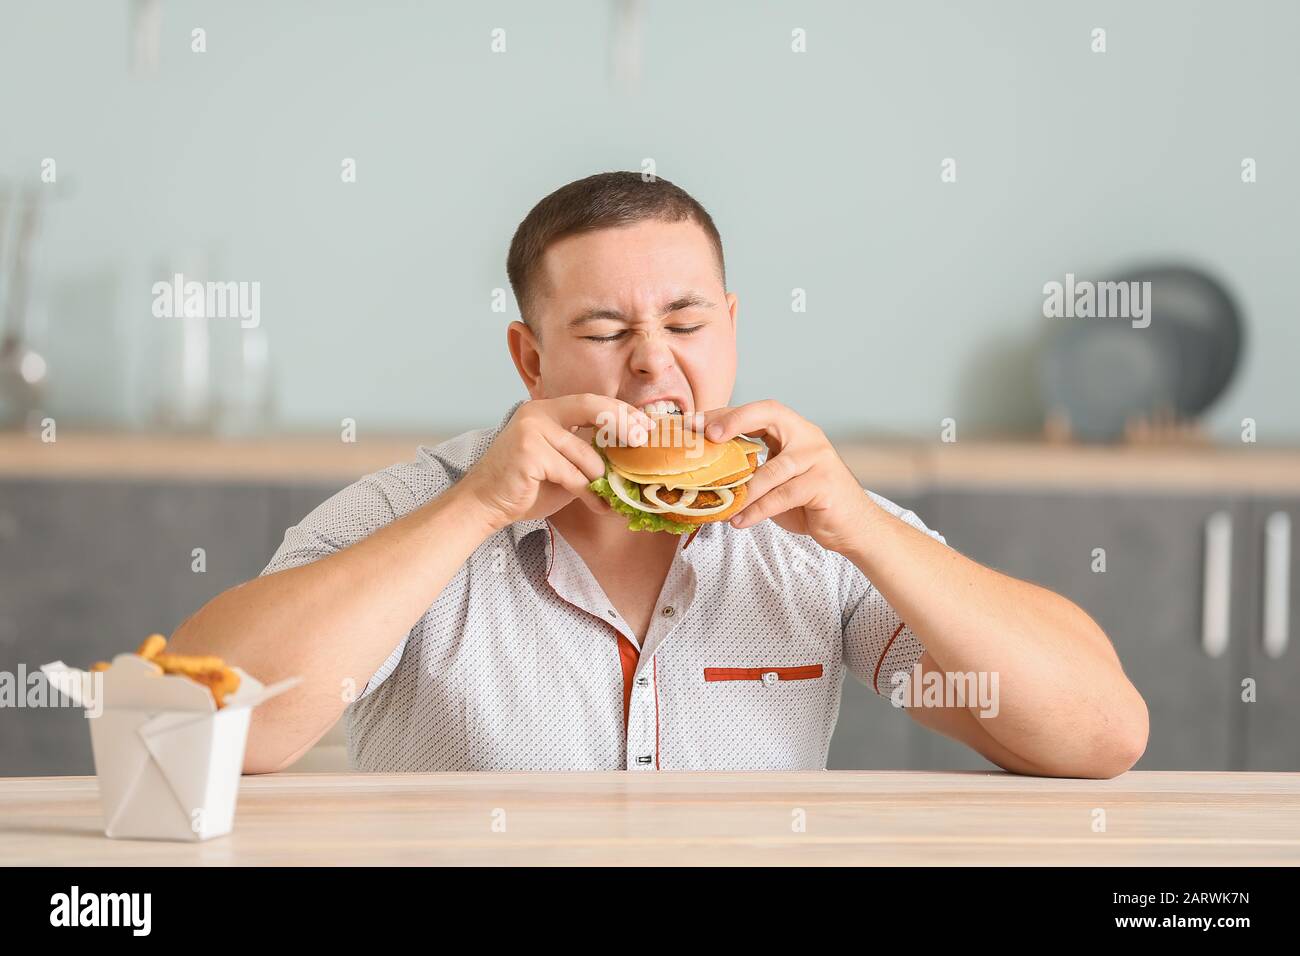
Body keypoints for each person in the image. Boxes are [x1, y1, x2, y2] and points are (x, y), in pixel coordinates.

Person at [171, 171, 1148, 777]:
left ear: (730, 327)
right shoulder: (419, 506)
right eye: (603, 329)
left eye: (685, 324)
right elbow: (204, 726)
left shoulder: (814, 521)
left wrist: (863, 527)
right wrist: (475, 510)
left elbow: (1098, 735)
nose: (651, 363)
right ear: (529, 358)